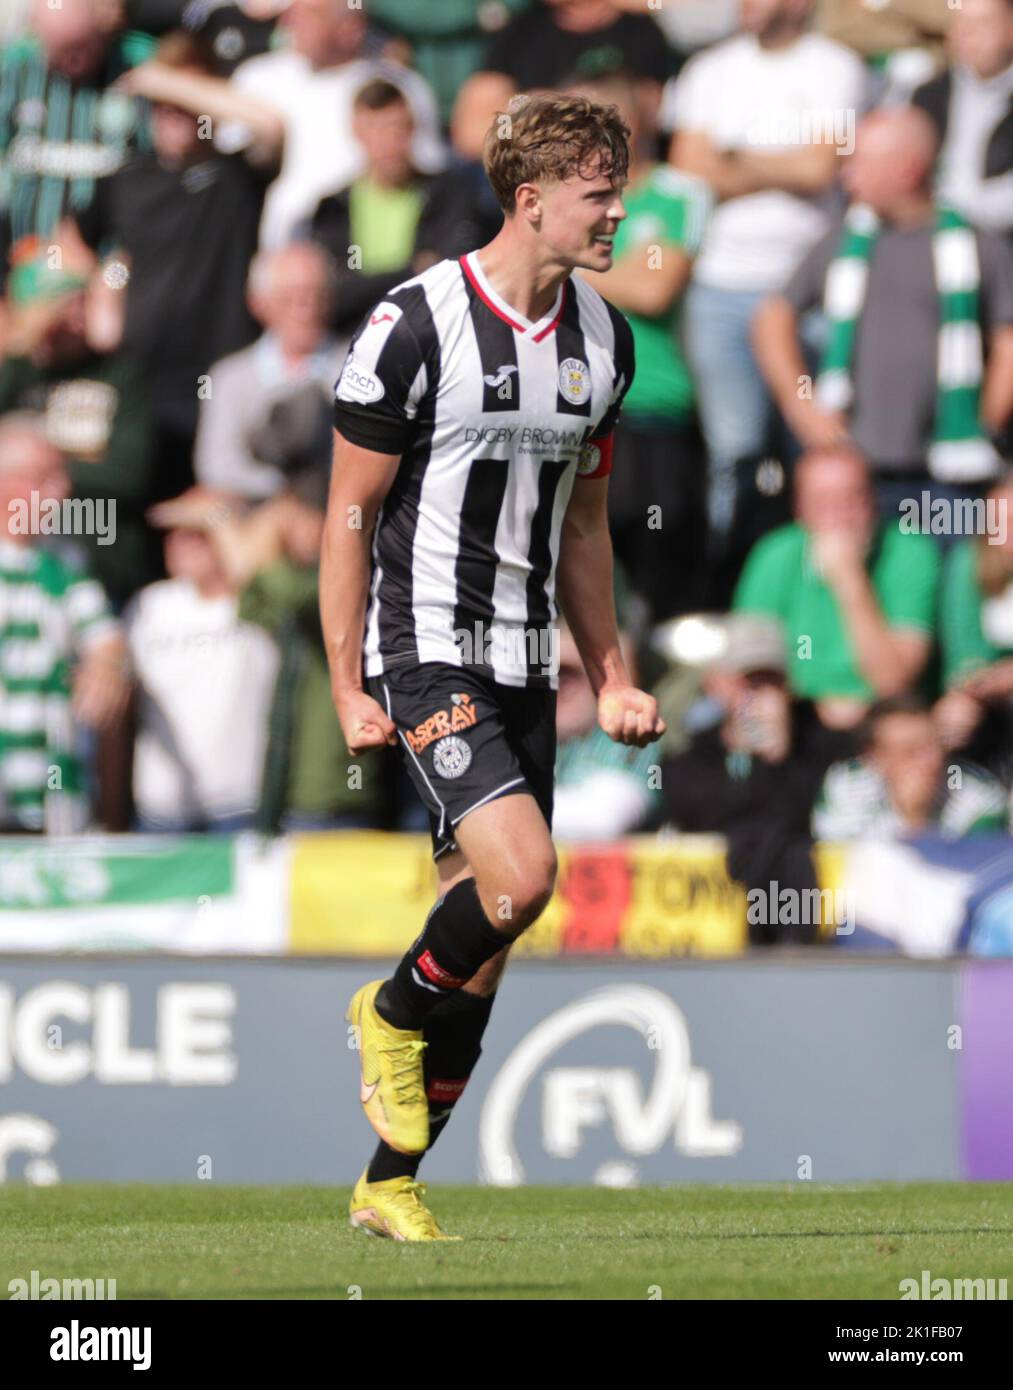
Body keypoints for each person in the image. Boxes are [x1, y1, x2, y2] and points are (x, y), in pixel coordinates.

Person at [322, 91, 664, 1239]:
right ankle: (383, 1009)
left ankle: (387, 1181)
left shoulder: (605, 343)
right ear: (530, 200)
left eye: (619, 191)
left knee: (483, 949)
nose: (619, 214)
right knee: (523, 877)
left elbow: (582, 526)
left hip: (523, 664)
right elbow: (345, 518)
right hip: (421, 646)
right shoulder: (413, 322)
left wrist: (609, 671)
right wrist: (344, 684)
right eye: (597, 194)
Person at [668, 0, 868, 544]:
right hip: (720, 288)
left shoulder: (837, 65)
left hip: (812, 293)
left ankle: (819, 572)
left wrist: (732, 157)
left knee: (818, 446)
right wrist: (783, 163)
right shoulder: (708, 68)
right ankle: (734, 573)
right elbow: (688, 165)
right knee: (733, 454)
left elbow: (820, 167)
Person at [753, 106, 1013, 523]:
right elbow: (773, 318)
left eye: (861, 163)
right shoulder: (843, 241)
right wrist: (802, 405)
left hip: (949, 473)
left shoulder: (978, 245)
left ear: (908, 170)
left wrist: (983, 423)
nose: (847, 175)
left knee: (937, 584)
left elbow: (1008, 342)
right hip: (856, 467)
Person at [72, 30, 286, 502]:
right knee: (132, 505)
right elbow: (67, 247)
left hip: (218, 374)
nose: (173, 114)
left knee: (215, 513)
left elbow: (270, 125)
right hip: (139, 378)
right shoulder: (127, 179)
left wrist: (162, 79)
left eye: (185, 102)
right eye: (161, 104)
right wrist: (104, 286)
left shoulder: (236, 177)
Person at [567, 67, 712, 621]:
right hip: (573, 405)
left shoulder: (679, 193)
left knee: (660, 566)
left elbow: (654, 289)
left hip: (652, 402)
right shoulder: (566, 202)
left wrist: (567, 264)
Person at [662, 613, 851, 944]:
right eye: (749, 682)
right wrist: (746, 757)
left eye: (772, 681)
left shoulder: (819, 742)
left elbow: (803, 817)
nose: (760, 696)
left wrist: (775, 759)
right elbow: (701, 815)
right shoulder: (695, 751)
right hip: (710, 930)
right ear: (716, 685)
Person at [734, 446, 940, 730]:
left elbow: (893, 681)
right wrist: (770, 705)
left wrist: (849, 580)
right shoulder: (774, 554)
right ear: (800, 510)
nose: (841, 516)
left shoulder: (911, 553)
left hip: (880, 721)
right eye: (825, 503)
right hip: (797, 719)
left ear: (875, 501)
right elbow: (731, 671)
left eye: (852, 499)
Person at [0, 243, 157, 607]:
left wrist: (35, 474)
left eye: (81, 302)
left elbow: (128, 473)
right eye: (62, 305)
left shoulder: (120, 377)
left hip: (101, 549)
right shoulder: (17, 376)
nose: (77, 318)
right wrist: (20, 347)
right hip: (17, 564)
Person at [0, 413, 128, 833]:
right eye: (45, 478)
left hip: (52, 803)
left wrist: (105, 666)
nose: (63, 492)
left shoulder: (65, 563)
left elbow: (104, 636)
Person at [125, 487, 280, 832]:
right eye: (174, 532)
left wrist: (223, 522)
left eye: (198, 533)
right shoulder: (149, 604)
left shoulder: (256, 604)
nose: (180, 541)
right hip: (160, 807)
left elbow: (254, 574)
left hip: (238, 803)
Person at [232, 0, 445, 249]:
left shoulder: (399, 85)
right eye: (291, 12)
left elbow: (428, 175)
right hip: (286, 255)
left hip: (365, 252)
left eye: (309, 14)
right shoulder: (261, 76)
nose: (289, 22)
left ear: (350, 27)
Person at [194, 242, 344, 499]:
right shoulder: (229, 377)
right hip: (254, 513)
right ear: (259, 303)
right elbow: (216, 465)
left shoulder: (357, 369)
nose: (306, 309)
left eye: (317, 294)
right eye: (291, 298)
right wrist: (287, 491)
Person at [814, 693, 1007, 840]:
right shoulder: (846, 785)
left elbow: (975, 878)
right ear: (875, 758)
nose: (930, 761)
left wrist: (916, 821)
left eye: (935, 745)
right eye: (910, 751)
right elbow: (842, 871)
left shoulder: (979, 795)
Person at [912, 0, 1013, 238]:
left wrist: (953, 210)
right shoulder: (927, 95)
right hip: (933, 240)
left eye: (982, 24)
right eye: (960, 22)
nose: (967, 34)